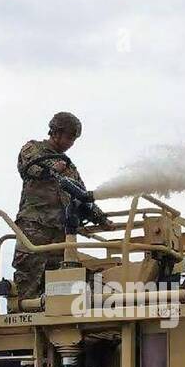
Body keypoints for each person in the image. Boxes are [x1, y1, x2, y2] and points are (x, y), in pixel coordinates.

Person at [11, 112, 110, 301]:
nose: (71, 142)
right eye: (69, 137)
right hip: (34, 228)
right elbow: (30, 168)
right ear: (55, 132)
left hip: (61, 235)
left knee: (58, 285)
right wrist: (51, 169)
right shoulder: (33, 149)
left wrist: (101, 218)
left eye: (74, 138)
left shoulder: (70, 167)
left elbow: (83, 197)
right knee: (29, 279)